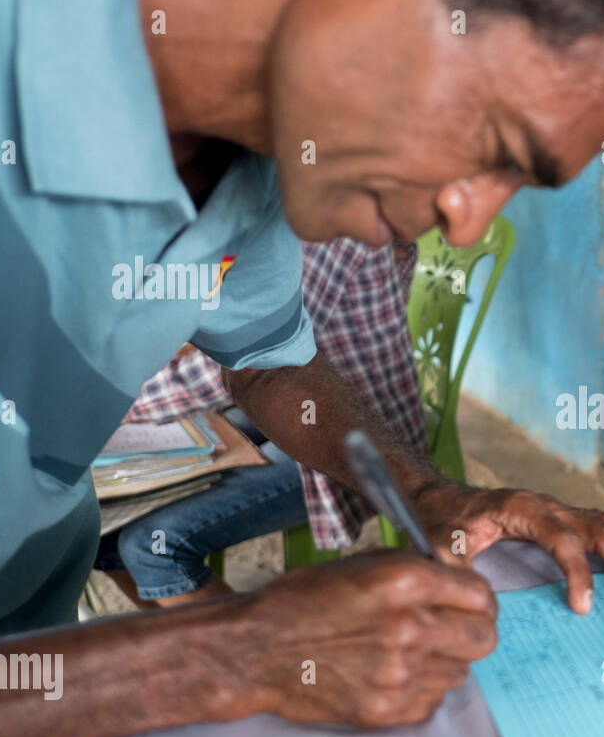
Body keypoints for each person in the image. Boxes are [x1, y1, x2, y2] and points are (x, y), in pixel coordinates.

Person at [0, 0, 604, 737]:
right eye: (496, 144)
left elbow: (270, 361)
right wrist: (232, 656)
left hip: (26, 639)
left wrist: (432, 496)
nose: (467, 224)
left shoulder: (256, 160)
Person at [95, 237, 426, 608]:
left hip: (350, 445)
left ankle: (253, 647)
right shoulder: (294, 229)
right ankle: (183, 637)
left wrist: (118, 406)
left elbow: (246, 363)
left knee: (153, 546)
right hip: (297, 408)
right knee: (103, 535)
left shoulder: (335, 239)